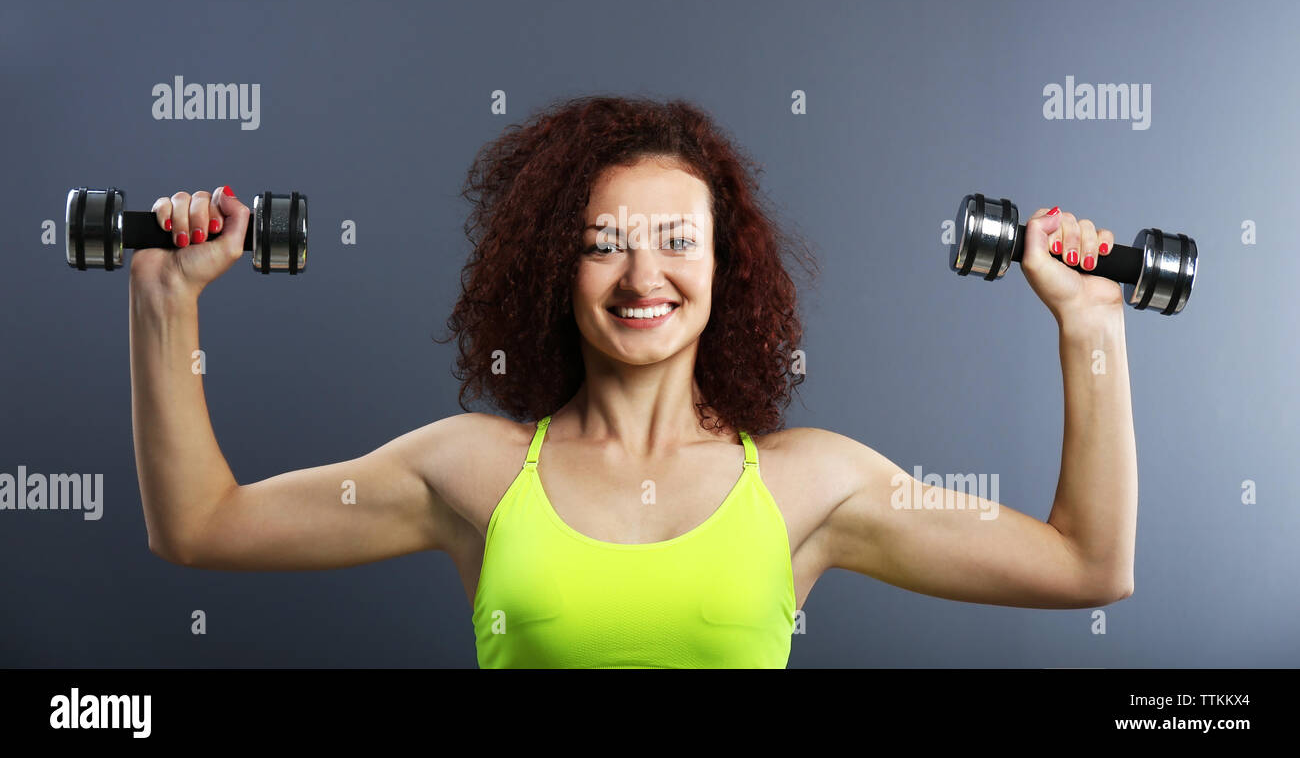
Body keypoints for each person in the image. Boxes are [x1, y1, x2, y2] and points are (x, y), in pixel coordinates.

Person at [129, 94, 1135, 668]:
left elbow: (1086, 565)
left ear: (724, 266)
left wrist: (1088, 323)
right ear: (550, 266)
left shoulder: (810, 487)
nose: (642, 275)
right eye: (603, 242)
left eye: (675, 241)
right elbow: (201, 524)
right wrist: (167, 301)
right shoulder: (472, 471)